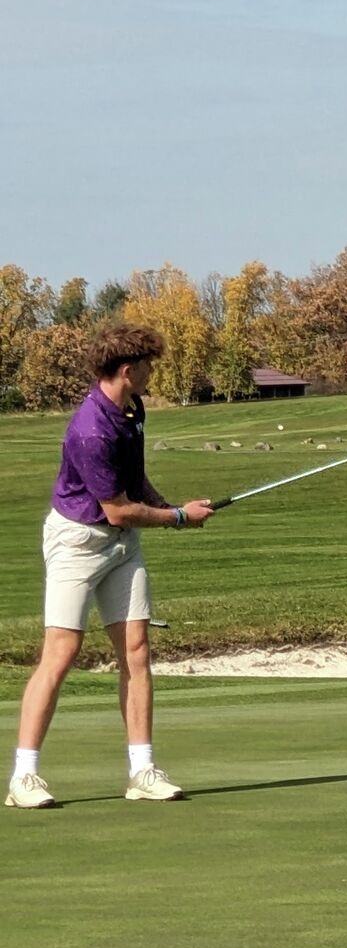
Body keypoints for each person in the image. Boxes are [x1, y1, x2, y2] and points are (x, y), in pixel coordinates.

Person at [9, 324, 212, 810]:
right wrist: (178, 518)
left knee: (137, 650)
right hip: (77, 542)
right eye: (147, 365)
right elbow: (116, 509)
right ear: (127, 369)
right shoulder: (90, 429)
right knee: (61, 652)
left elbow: (133, 476)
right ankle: (23, 777)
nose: (151, 372)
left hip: (122, 545)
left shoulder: (131, 408)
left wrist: (167, 504)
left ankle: (142, 770)